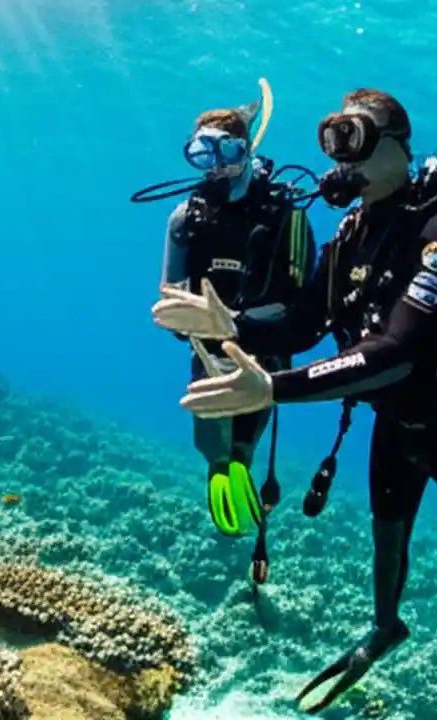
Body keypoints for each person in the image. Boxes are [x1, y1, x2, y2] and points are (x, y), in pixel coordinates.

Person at [151, 87, 437, 713]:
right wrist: (230, 325)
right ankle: (386, 629)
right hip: (394, 421)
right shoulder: (352, 233)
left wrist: (272, 387)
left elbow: (394, 351)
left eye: (353, 139)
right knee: (387, 539)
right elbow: (303, 325)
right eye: (332, 140)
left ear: (398, 147)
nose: (339, 158)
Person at [153, 92, 317, 558]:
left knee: (243, 440)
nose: (216, 166)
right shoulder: (186, 217)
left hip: (266, 348)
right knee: (211, 444)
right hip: (207, 350)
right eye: (204, 153)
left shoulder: (286, 212)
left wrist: (237, 325)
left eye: (228, 152)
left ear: (247, 152)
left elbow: (304, 310)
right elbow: (171, 295)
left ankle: (241, 461)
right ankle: (223, 471)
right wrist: (189, 325)